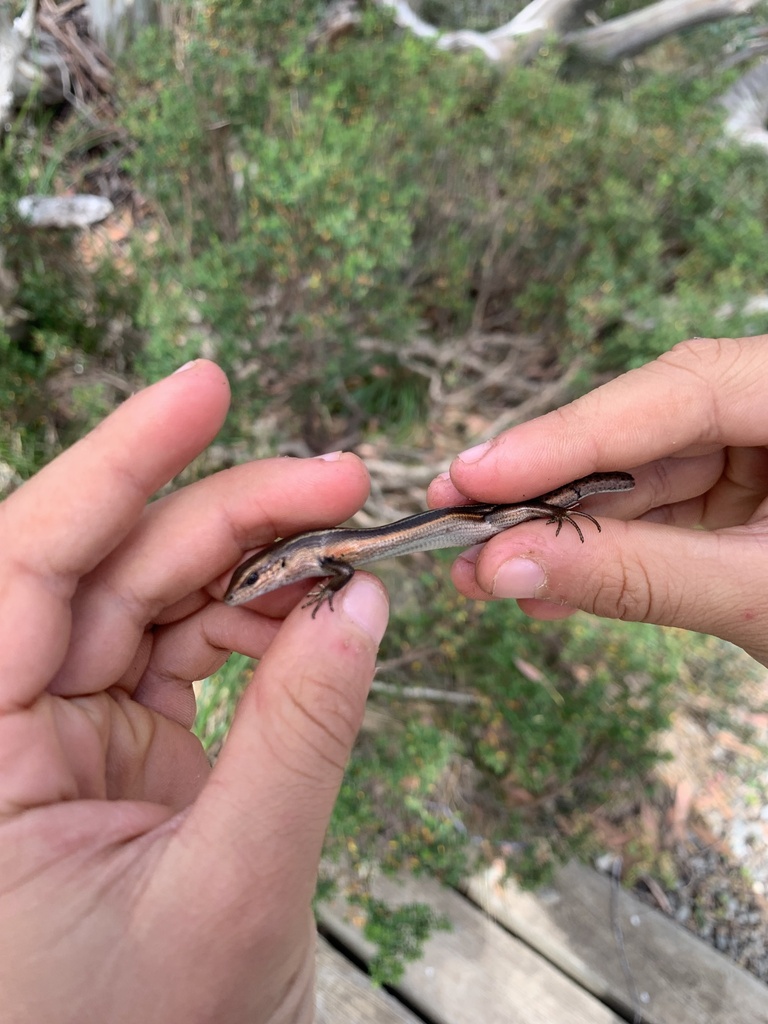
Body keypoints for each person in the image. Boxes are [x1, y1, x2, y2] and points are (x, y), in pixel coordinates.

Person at [1, 334, 766, 1022]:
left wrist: (325, 608)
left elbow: (333, 572)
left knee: (529, 512)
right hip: (454, 527)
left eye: (259, 579)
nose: (255, 588)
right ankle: (568, 498)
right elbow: (329, 569)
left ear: (283, 563)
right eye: (255, 582)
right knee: (521, 515)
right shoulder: (324, 559)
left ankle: (574, 496)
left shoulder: (324, 559)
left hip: (479, 521)